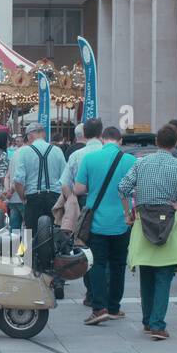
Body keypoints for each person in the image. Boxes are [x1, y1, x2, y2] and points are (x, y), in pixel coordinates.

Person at [118, 124, 177, 341]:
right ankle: (158, 324)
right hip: (168, 222)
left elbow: (122, 188)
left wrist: (128, 213)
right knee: (163, 275)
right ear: (176, 143)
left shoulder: (142, 163)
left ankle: (148, 321)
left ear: (157, 142)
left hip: (143, 221)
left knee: (146, 274)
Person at [76, 126, 136, 325]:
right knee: (118, 265)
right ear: (120, 141)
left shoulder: (90, 158)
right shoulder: (130, 161)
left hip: (97, 222)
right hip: (122, 221)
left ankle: (98, 307)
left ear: (103, 139)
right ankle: (114, 307)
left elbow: (79, 188)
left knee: (97, 264)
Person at [57, 118, 105, 306]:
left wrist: (72, 200)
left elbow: (65, 183)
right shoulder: (108, 153)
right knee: (106, 252)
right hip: (108, 207)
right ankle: (103, 294)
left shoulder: (78, 155)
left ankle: (91, 293)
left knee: (86, 249)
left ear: (84, 133)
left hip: (84, 204)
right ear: (101, 133)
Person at [12, 122, 67, 229]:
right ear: (44, 134)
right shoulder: (57, 150)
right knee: (54, 232)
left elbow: (18, 180)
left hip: (33, 197)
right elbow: (65, 177)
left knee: (30, 234)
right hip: (54, 197)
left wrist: (23, 197)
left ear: (30, 136)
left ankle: (30, 245)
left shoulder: (24, 152)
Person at [3, 134, 28, 231]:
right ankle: (24, 246)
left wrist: (7, 190)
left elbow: (7, 176)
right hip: (23, 197)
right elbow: (19, 178)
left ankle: (14, 246)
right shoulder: (27, 154)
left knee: (14, 229)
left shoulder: (14, 154)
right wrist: (12, 190)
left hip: (12, 199)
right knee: (27, 229)